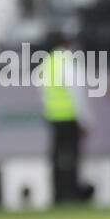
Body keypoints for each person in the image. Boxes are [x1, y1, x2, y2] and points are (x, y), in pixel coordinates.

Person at [39, 35, 96, 205]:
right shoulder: (67, 61)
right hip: (70, 117)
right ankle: (72, 193)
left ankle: (58, 193)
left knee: (56, 158)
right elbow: (76, 92)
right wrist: (85, 119)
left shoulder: (48, 63)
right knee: (72, 157)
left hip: (53, 117)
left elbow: (42, 92)